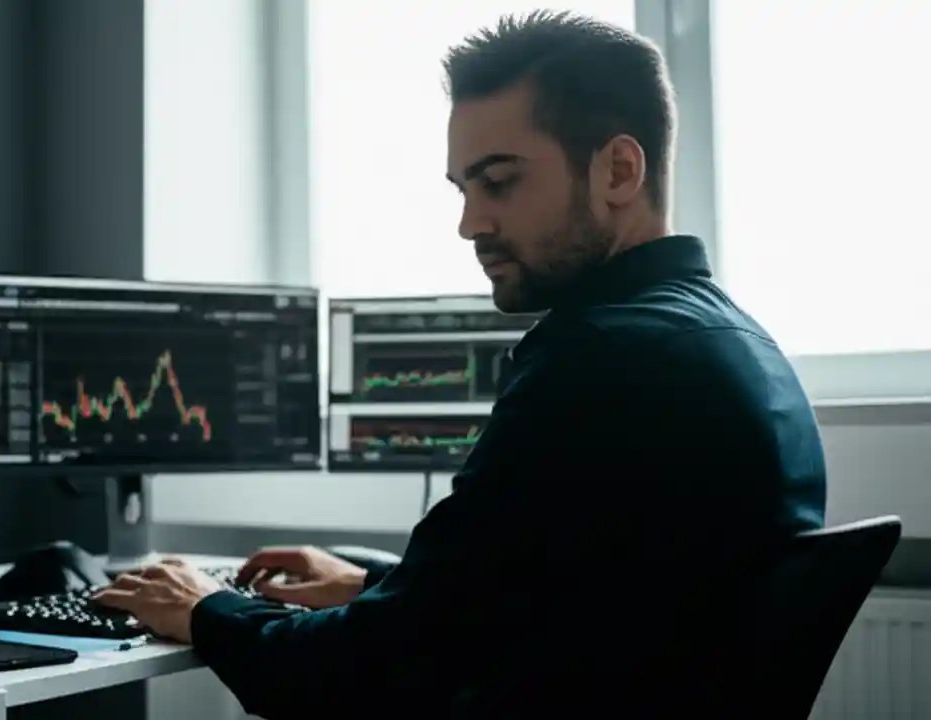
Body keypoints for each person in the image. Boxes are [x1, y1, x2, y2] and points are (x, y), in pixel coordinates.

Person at [95, 10, 826, 718]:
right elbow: (584, 603)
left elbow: (354, 680)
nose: (470, 224)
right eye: (463, 189)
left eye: (499, 181)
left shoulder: (598, 361)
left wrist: (204, 608)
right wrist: (375, 584)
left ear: (619, 170)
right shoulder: (737, 342)